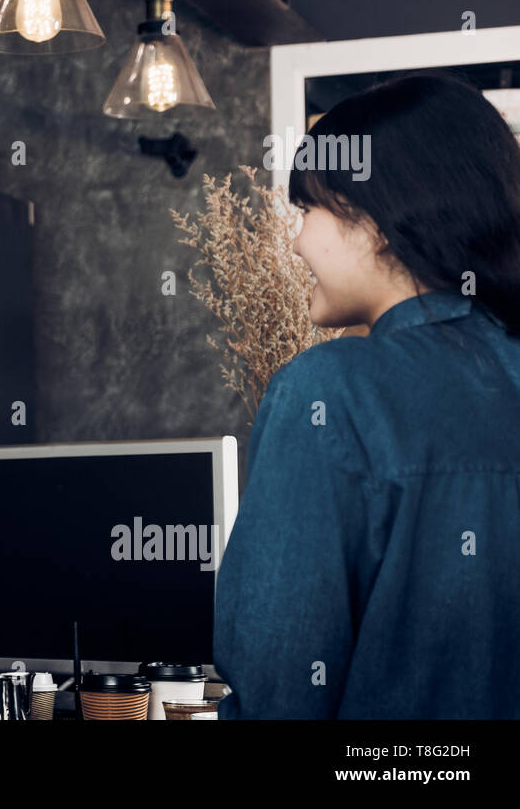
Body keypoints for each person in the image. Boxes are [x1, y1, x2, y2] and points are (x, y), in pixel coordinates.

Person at [214, 73, 520, 718]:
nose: (296, 241)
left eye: (308, 211)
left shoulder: (330, 392)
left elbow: (280, 681)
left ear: (376, 221)